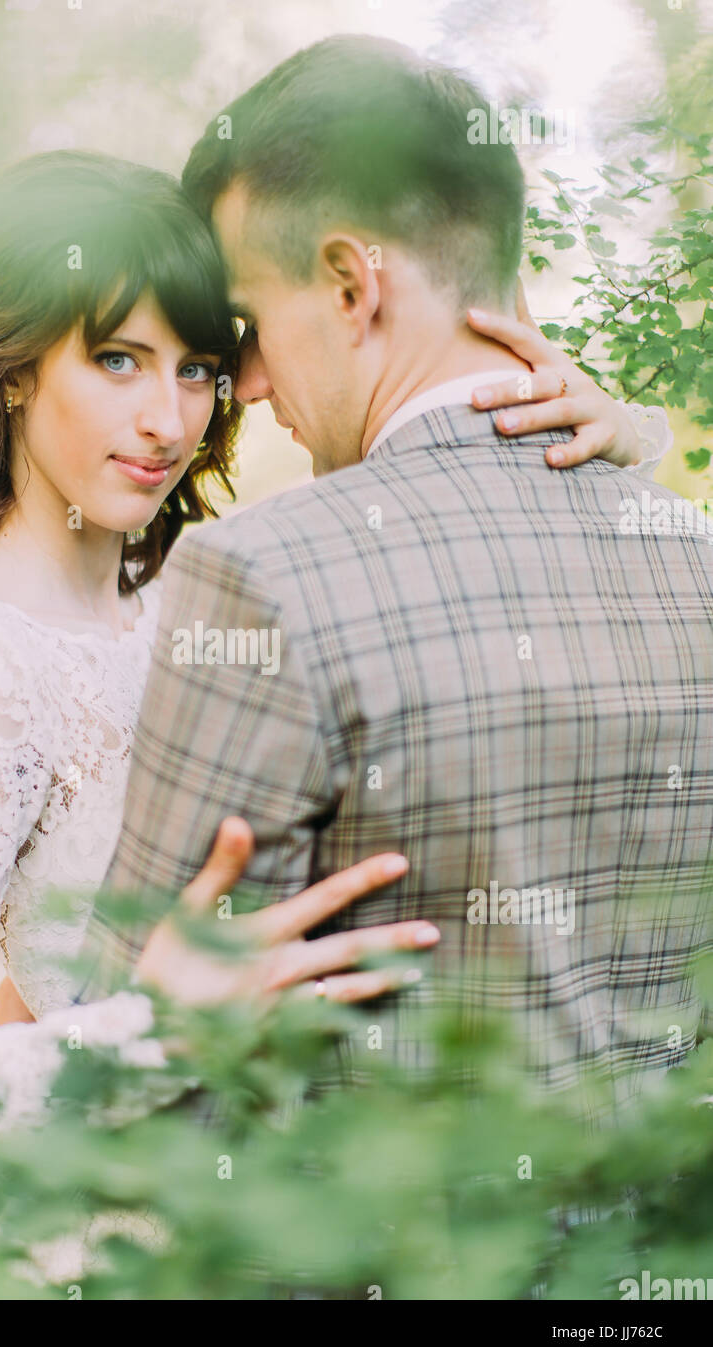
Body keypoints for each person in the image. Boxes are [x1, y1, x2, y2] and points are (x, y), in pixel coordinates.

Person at [79, 36, 712, 1106]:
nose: (250, 383)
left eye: (249, 325)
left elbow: (140, 1049)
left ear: (347, 284)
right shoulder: (692, 557)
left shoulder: (261, 575)